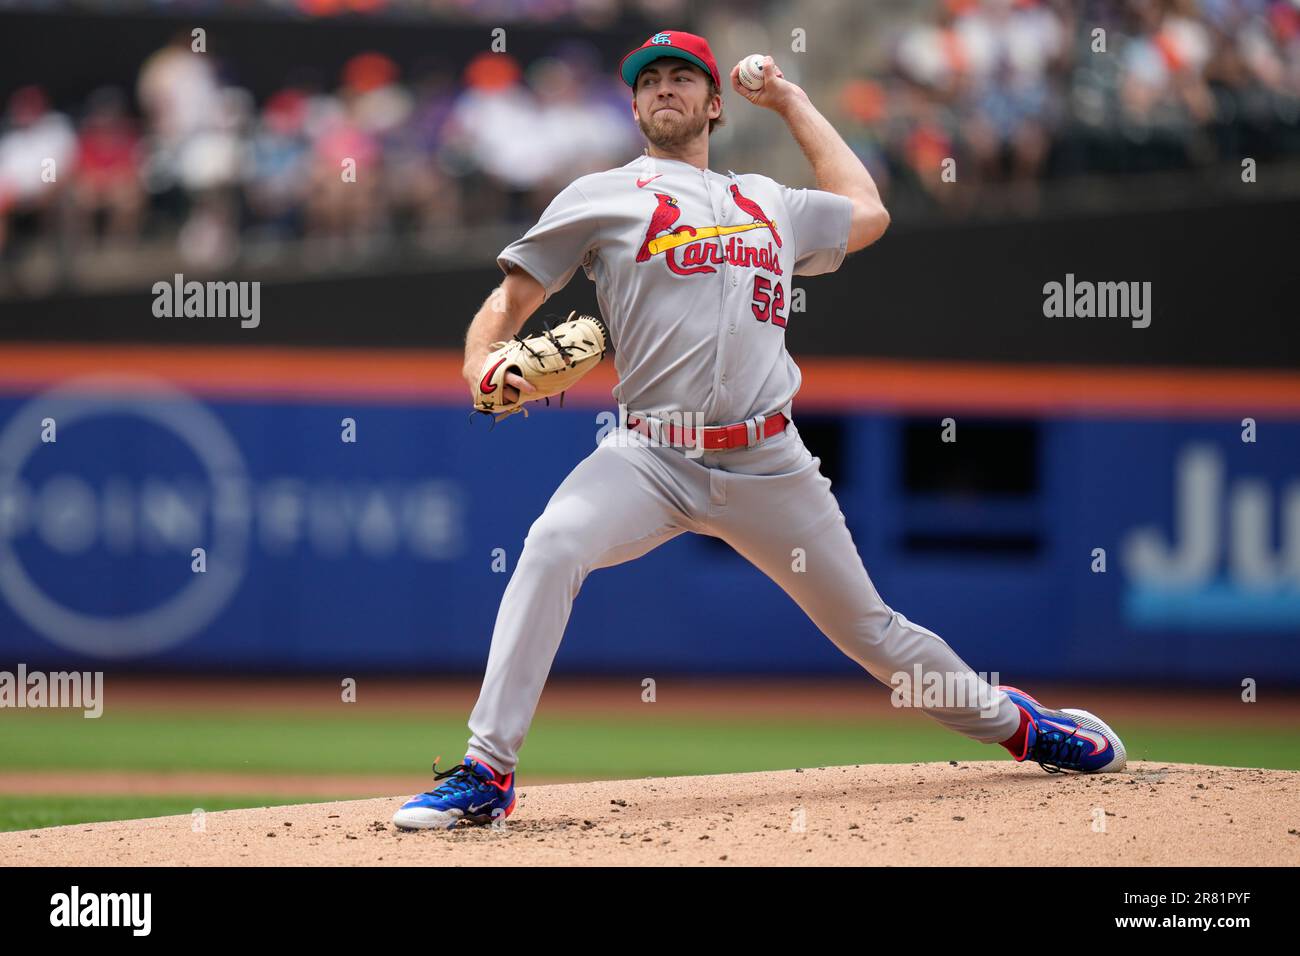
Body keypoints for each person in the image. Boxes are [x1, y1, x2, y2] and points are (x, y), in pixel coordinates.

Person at [394, 30, 1125, 830]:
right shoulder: (600, 194)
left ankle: (1023, 727)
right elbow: (512, 297)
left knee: (873, 635)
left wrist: (791, 100)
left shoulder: (768, 202)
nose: (664, 88)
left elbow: (870, 211)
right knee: (552, 545)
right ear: (635, 105)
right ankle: (487, 771)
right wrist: (476, 364)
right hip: (648, 454)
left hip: (768, 461)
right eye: (649, 80)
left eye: (682, 77)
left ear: (715, 105)